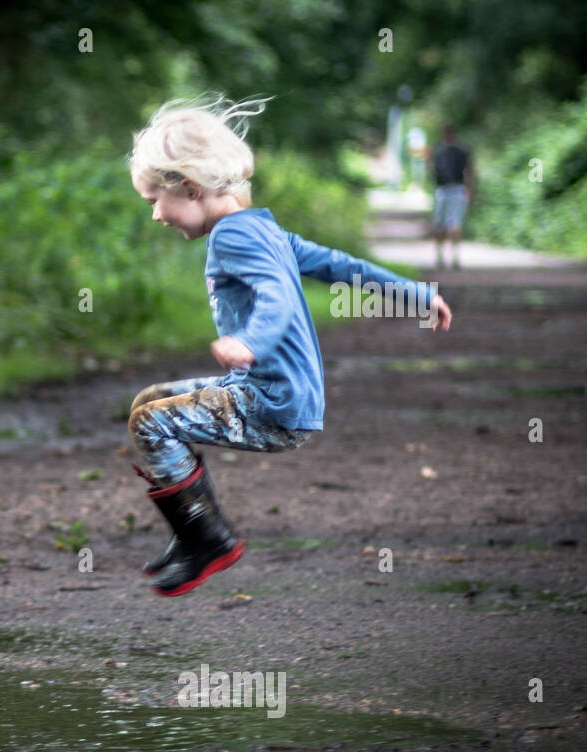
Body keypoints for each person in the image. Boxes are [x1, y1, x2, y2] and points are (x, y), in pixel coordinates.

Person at [126, 93, 453, 597]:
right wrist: (414, 293)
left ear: (190, 188)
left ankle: (206, 538)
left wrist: (251, 342)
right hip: (272, 393)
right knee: (149, 403)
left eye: (154, 202)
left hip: (270, 404)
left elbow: (277, 296)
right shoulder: (265, 229)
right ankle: (195, 532)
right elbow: (341, 265)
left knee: (150, 421)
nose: (155, 216)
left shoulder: (233, 237)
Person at [430, 126, 473, 269]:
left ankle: (440, 257)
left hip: (442, 190)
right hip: (458, 190)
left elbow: (431, 171)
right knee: (455, 224)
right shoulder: (463, 151)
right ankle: (455, 257)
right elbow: (469, 172)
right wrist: (469, 189)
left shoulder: (437, 151)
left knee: (439, 224)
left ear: (444, 135)